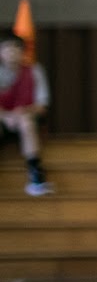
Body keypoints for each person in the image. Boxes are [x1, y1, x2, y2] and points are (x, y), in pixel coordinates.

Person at [0, 29, 52, 195]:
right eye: (7, 48)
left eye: (16, 48)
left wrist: (22, 113)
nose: (11, 53)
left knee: (26, 122)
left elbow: (42, 105)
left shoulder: (34, 70)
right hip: (3, 118)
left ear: (23, 52)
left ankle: (35, 172)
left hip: (26, 116)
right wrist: (5, 116)